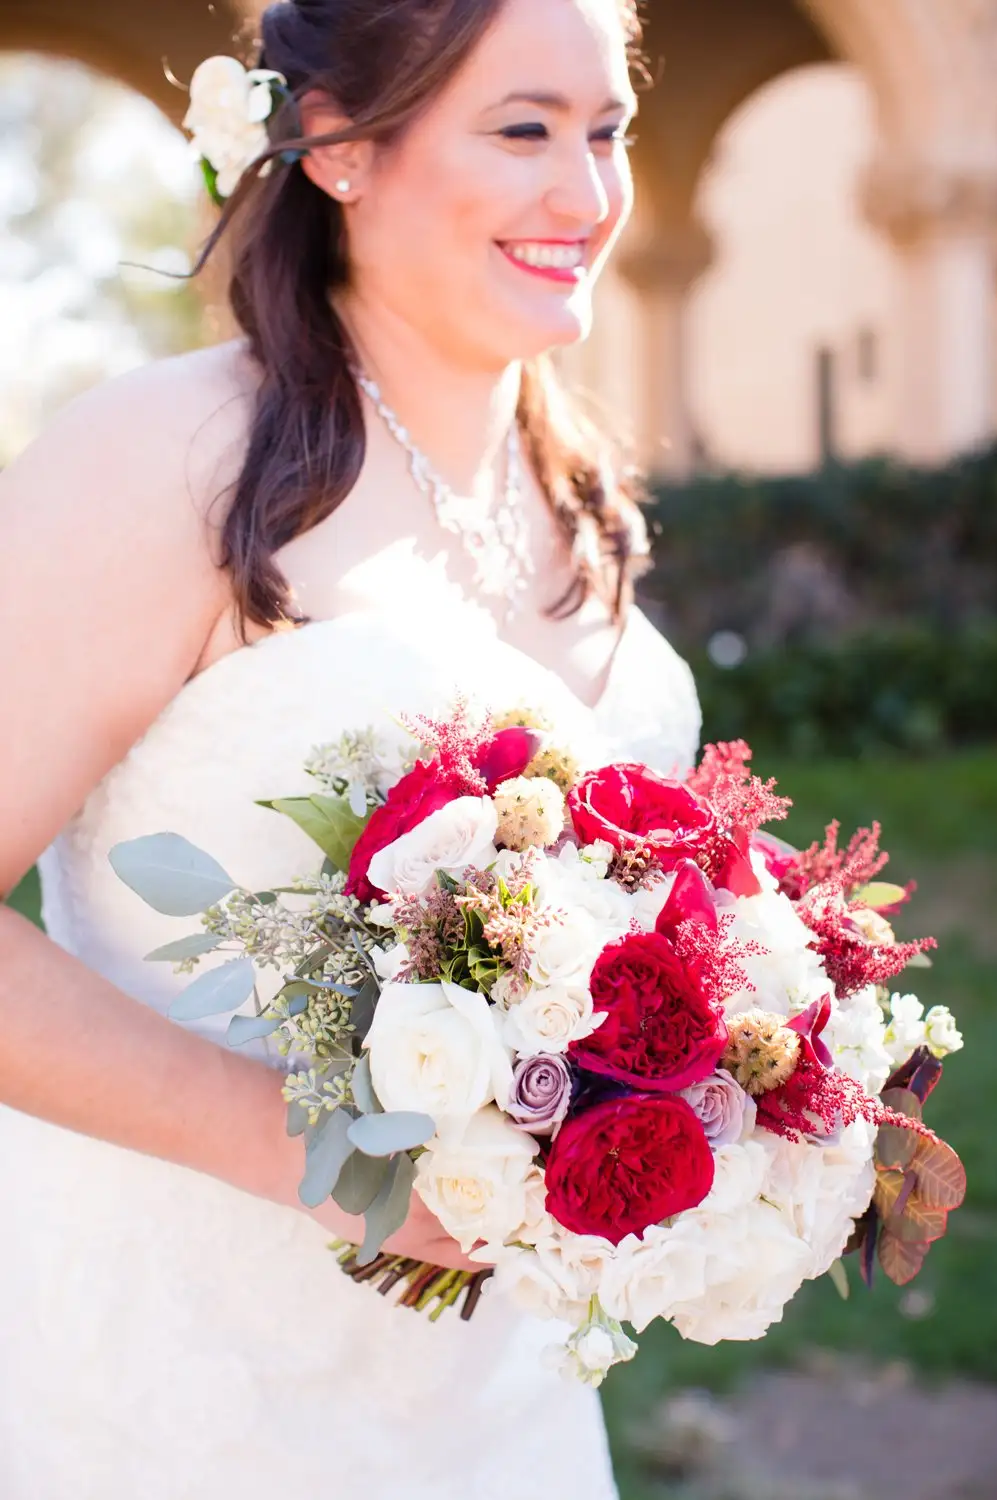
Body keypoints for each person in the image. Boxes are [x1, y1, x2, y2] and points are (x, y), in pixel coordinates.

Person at [0, 1, 700, 1495]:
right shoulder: (170, 461)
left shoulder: (584, 504)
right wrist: (307, 1151)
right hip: (159, 1388)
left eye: (608, 131)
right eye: (523, 129)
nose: (585, 194)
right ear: (335, 146)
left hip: (491, 1403)